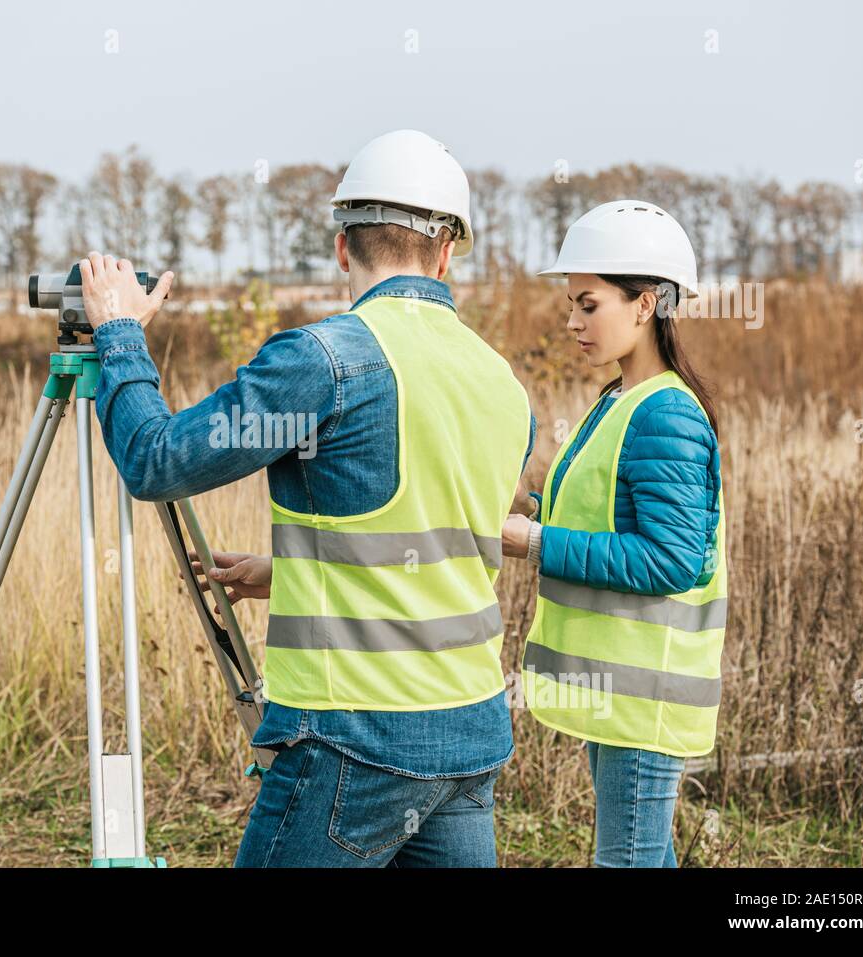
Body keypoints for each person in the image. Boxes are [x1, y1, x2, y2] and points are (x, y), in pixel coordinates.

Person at [78, 130, 534, 867]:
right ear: (448, 252)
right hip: (470, 734)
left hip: (357, 737)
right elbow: (439, 535)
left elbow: (156, 460)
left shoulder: (325, 361)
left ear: (343, 247)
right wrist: (294, 571)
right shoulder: (501, 381)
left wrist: (120, 334)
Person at [502, 200, 728, 867]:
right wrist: (525, 506)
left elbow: (669, 560)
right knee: (644, 856)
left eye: (589, 304)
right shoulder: (617, 399)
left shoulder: (666, 414)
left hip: (645, 694)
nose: (572, 322)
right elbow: (598, 515)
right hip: (618, 689)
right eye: (570, 305)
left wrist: (532, 542)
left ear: (645, 304)